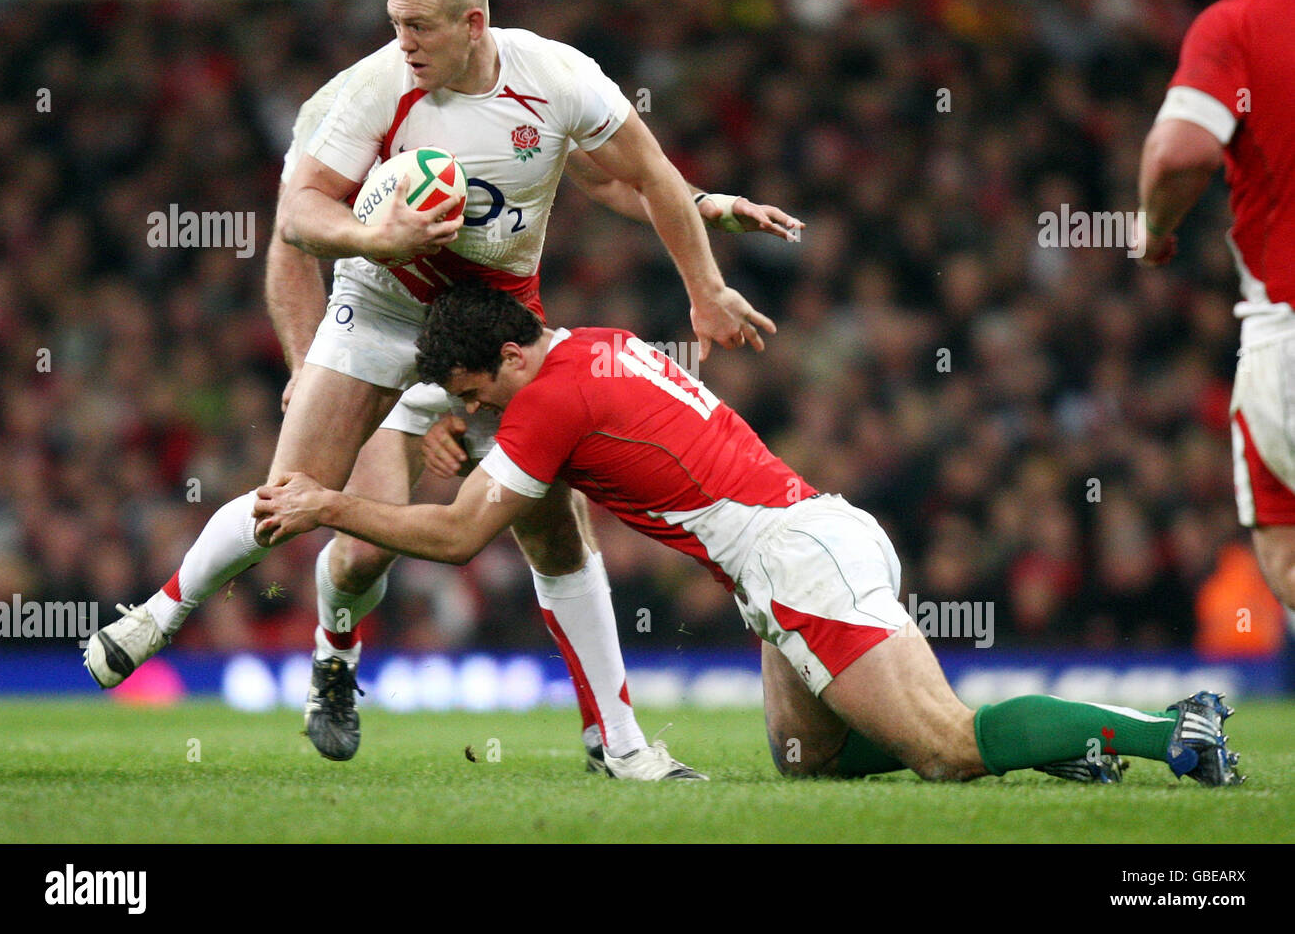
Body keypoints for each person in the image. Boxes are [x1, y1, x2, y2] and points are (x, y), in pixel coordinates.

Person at [86, 0, 798, 782]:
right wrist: (363, 252)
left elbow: (633, 173)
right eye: (395, 23)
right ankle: (166, 617)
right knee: (313, 517)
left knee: (552, 523)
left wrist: (705, 275)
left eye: (419, 26)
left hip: (493, 324)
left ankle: (618, 740)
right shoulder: (364, 93)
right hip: (378, 309)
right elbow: (297, 223)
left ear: (473, 21)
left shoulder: (556, 79)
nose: (403, 42)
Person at [253, 281, 1244, 787]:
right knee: (802, 761)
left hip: (793, 555)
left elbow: (467, 534)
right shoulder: (596, 348)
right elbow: (527, 483)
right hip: (796, 545)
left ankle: (1170, 729)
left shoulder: (547, 399)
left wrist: (326, 502)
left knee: (943, 749)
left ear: (510, 352)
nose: (483, 411)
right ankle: (1042, 747)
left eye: (479, 390)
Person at [1137, 0, 1295, 624]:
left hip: (1286, 321)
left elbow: (1178, 155)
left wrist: (1155, 228)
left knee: (1286, 552)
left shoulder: (1237, 26)